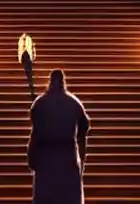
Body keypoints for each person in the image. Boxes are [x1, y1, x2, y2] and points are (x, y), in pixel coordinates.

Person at [26, 68, 90, 204]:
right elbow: (83, 132)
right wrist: (81, 160)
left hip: (46, 158)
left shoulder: (40, 103)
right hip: (67, 158)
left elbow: (35, 134)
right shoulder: (74, 103)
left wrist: (31, 157)